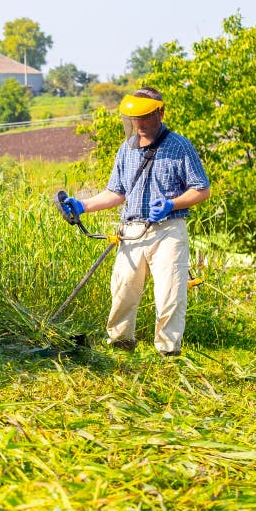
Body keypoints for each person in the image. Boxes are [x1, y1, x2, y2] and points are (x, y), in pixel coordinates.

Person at [58, 87, 210, 357]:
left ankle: (168, 353)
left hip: (169, 230)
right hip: (132, 230)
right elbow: (116, 192)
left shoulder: (179, 146)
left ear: (160, 113)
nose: (138, 124)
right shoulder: (126, 150)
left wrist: (171, 204)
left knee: (170, 294)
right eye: (133, 119)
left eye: (144, 117)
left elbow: (202, 189)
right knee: (123, 290)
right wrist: (83, 206)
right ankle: (120, 345)